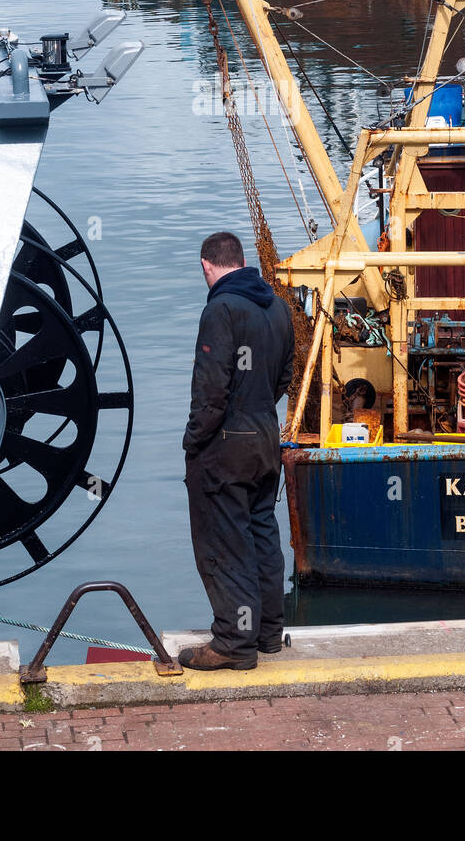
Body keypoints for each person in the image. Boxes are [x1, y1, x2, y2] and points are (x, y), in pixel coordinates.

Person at [179, 231, 294, 671]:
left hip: (226, 447)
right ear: (242, 261)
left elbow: (210, 390)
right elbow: (285, 375)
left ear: (207, 266)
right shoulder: (278, 307)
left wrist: (194, 442)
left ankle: (232, 643)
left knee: (225, 543)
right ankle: (265, 633)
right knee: (261, 534)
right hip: (266, 436)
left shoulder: (220, 309)